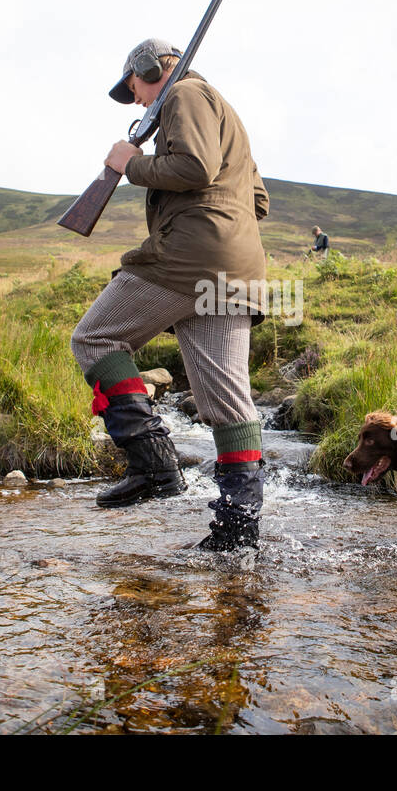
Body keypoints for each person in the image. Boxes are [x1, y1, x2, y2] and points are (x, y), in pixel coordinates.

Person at [69, 38, 271, 551]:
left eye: (133, 88)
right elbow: (260, 202)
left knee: (95, 339)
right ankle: (236, 533)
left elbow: (195, 169)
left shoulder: (184, 94)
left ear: (150, 69)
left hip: (188, 260)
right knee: (227, 403)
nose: (135, 100)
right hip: (236, 271)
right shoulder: (226, 113)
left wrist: (128, 163)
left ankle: (155, 467)